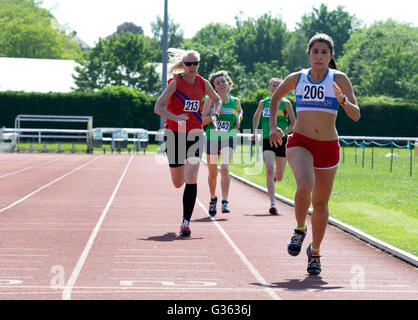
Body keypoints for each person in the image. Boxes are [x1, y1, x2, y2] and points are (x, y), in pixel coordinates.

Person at [269, 33, 361, 275]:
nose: (319, 56)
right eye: (315, 52)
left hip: (328, 146)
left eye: (324, 52)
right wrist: (272, 126)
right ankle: (300, 229)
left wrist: (343, 101)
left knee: (320, 204)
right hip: (300, 142)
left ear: (331, 56)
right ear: (308, 54)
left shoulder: (338, 78)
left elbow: (356, 114)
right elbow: (276, 96)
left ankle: (315, 252)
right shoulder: (297, 78)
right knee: (305, 184)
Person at [154, 48, 223, 237]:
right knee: (178, 182)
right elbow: (158, 107)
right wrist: (175, 116)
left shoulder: (203, 83)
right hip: (174, 133)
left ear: (199, 64)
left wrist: (214, 114)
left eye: (195, 63)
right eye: (188, 64)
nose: (192, 67)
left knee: (191, 178)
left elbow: (218, 101)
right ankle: (181, 169)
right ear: (183, 66)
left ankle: (185, 222)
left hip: (195, 133)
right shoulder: (176, 83)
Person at [252, 78, 295, 215]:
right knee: (270, 169)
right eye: (273, 85)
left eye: (278, 85)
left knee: (279, 175)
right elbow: (256, 116)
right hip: (267, 139)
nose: (275, 87)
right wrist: (255, 131)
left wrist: (285, 131)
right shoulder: (263, 103)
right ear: (269, 88)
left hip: (282, 140)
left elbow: (294, 123)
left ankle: (275, 177)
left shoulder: (286, 103)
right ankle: (273, 203)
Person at [203, 70, 243, 217]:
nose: (221, 84)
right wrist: (213, 116)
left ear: (228, 82)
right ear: (214, 87)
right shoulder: (210, 100)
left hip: (229, 136)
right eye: (217, 83)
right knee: (213, 173)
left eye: (223, 81)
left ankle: (225, 201)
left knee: (225, 168)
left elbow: (239, 111)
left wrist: (238, 119)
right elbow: (202, 120)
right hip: (212, 137)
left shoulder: (235, 101)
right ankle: (213, 198)